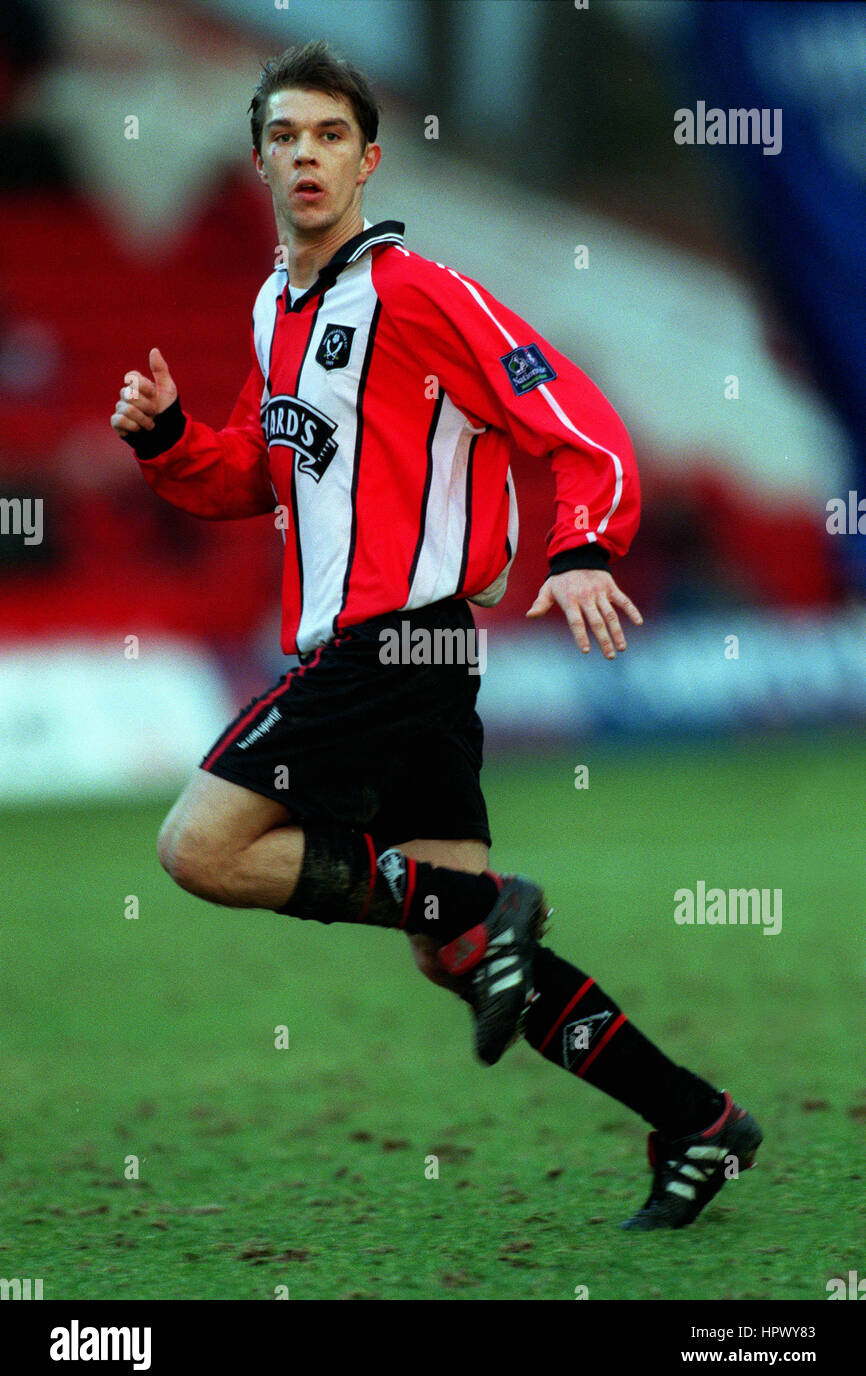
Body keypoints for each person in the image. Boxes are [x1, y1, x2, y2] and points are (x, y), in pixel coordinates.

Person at [110, 40, 762, 1230]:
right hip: (401, 662)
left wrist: (578, 547)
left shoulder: (414, 291)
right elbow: (263, 472)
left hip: (390, 644)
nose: (304, 155)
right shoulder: (274, 309)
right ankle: (698, 1121)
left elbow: (570, 411)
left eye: (326, 135)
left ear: (368, 154)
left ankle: (476, 898)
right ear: (258, 158)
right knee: (455, 946)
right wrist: (166, 442)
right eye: (283, 136)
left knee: (196, 848)